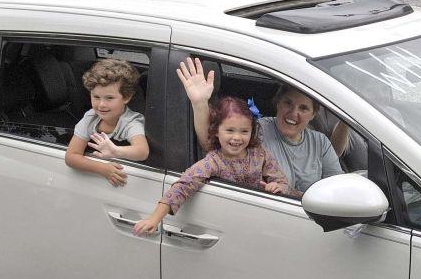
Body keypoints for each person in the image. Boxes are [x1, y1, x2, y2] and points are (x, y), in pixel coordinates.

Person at [176, 55, 348, 197]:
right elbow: (211, 145)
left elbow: (338, 191)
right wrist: (199, 103)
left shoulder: (321, 142)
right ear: (278, 103)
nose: (294, 113)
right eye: (288, 103)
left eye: (303, 108)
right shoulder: (258, 130)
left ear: (313, 115)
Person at [133, 96, 286, 235]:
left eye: (244, 131)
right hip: (225, 223)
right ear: (216, 131)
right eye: (230, 130)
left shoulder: (259, 154)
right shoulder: (213, 162)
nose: (237, 137)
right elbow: (183, 185)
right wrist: (154, 219)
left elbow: (282, 182)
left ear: (252, 132)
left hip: (261, 220)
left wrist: (276, 186)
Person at [66, 57, 149, 188]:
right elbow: (71, 156)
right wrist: (102, 168)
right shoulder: (91, 118)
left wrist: (116, 151)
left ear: (126, 97)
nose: (101, 104)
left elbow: (142, 151)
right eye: (96, 97)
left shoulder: (131, 122)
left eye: (109, 98)